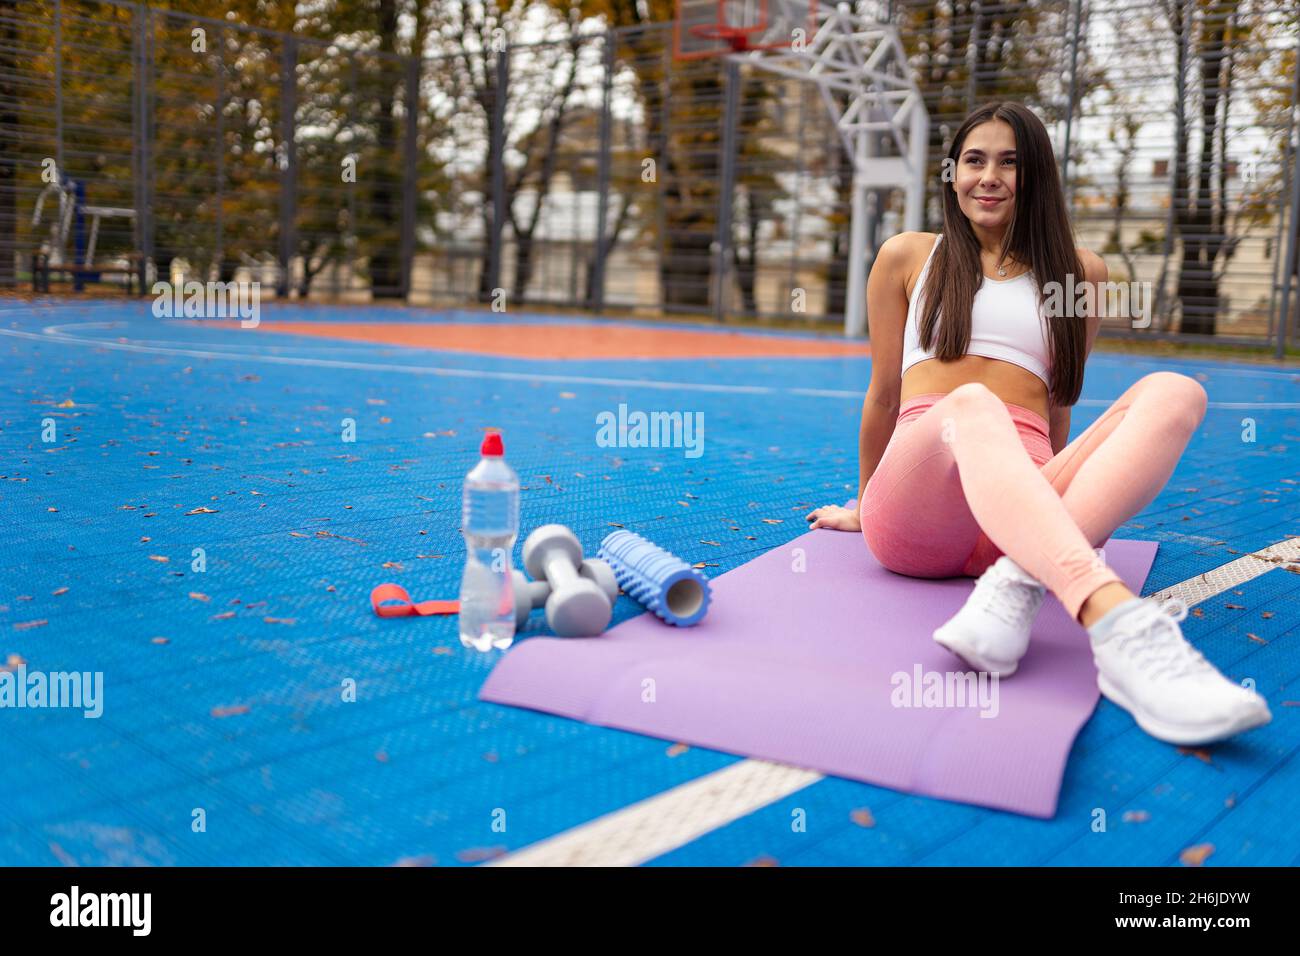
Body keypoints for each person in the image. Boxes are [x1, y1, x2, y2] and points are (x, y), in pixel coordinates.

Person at [805, 102, 1270, 747]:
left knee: (1176, 391)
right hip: (917, 514)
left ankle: (1018, 580)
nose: (988, 176)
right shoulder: (908, 256)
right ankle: (1116, 626)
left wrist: (1049, 512)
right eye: (974, 160)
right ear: (953, 173)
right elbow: (884, 395)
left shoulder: (1081, 273)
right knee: (971, 403)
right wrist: (863, 500)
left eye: (1009, 162)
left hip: (1015, 512)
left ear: (1037, 177)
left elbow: (1057, 407)